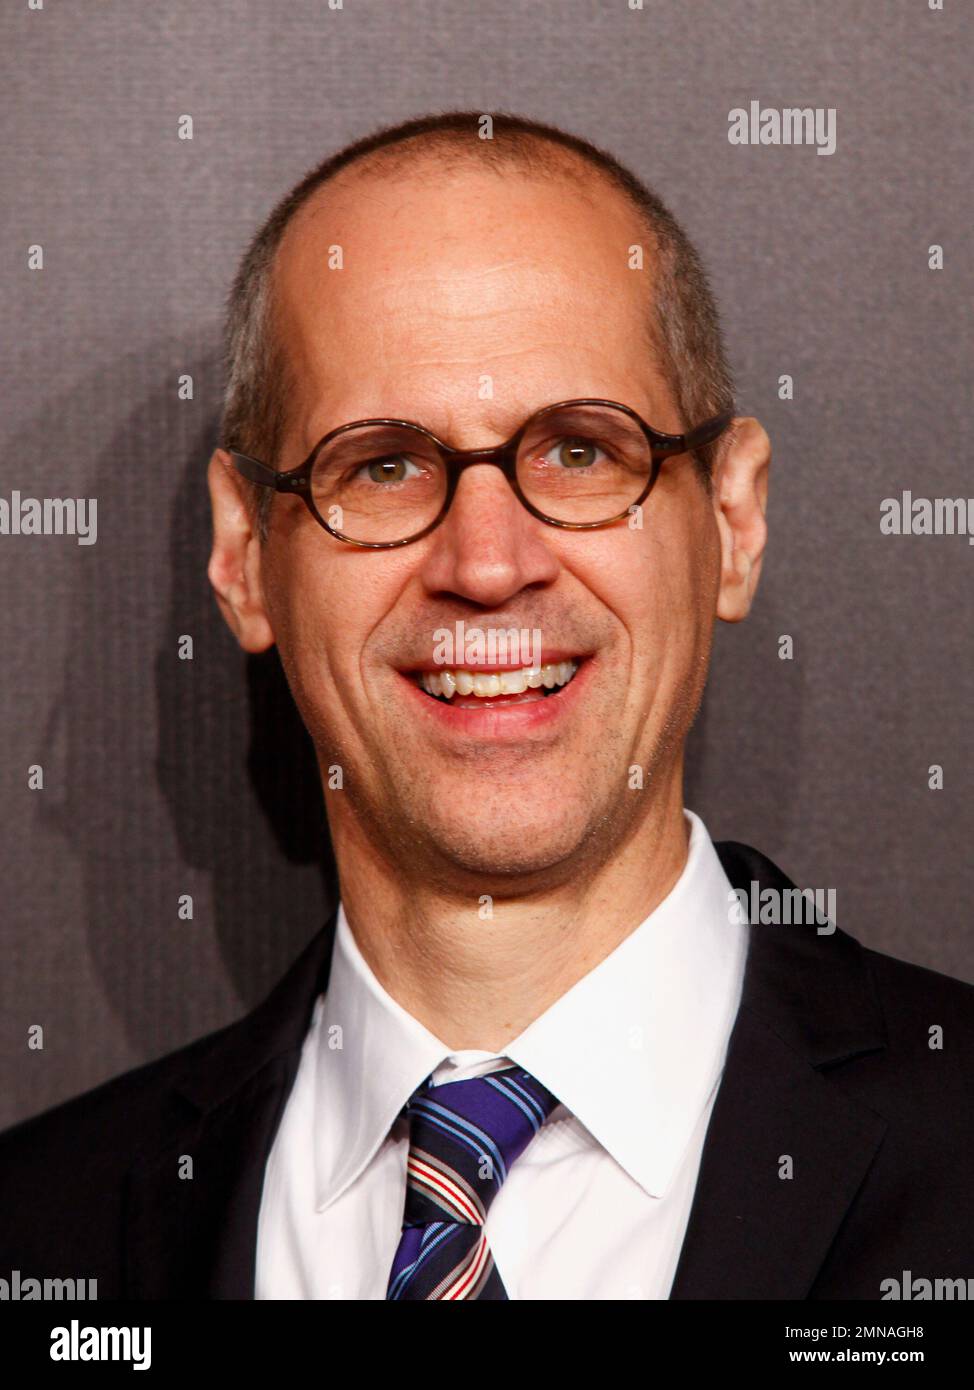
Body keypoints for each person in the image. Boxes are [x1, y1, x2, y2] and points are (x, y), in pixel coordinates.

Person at [1, 111, 971, 1301]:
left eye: (577, 450)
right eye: (384, 464)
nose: (487, 559)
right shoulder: (38, 1238)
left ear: (731, 520)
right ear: (246, 551)